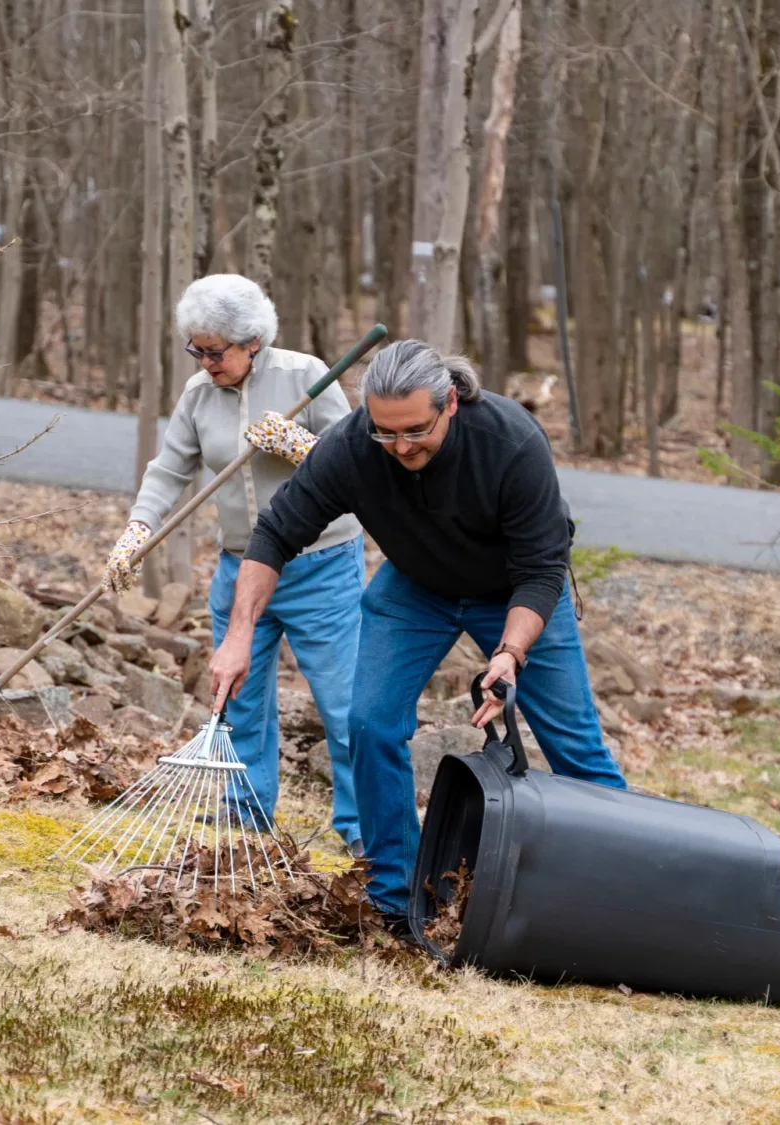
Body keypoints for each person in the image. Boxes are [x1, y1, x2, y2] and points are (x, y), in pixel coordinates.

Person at [206, 339, 627, 929]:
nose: (401, 446)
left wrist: (509, 654)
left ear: (449, 402)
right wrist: (238, 637)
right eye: (386, 432)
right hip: (417, 589)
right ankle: (395, 898)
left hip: (517, 592)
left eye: (415, 431)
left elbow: (540, 569)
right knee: (369, 722)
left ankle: (626, 894)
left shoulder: (511, 442)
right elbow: (275, 533)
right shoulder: (353, 445)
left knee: (576, 749)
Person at [106, 273, 365, 850]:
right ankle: (246, 808)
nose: (205, 363)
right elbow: (169, 470)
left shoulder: (306, 375)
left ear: (253, 341)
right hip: (240, 566)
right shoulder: (199, 394)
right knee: (239, 695)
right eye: (195, 350)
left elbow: (358, 467)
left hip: (319, 564)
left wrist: (302, 448)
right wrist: (137, 530)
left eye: (215, 351)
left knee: (343, 702)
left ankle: (361, 825)